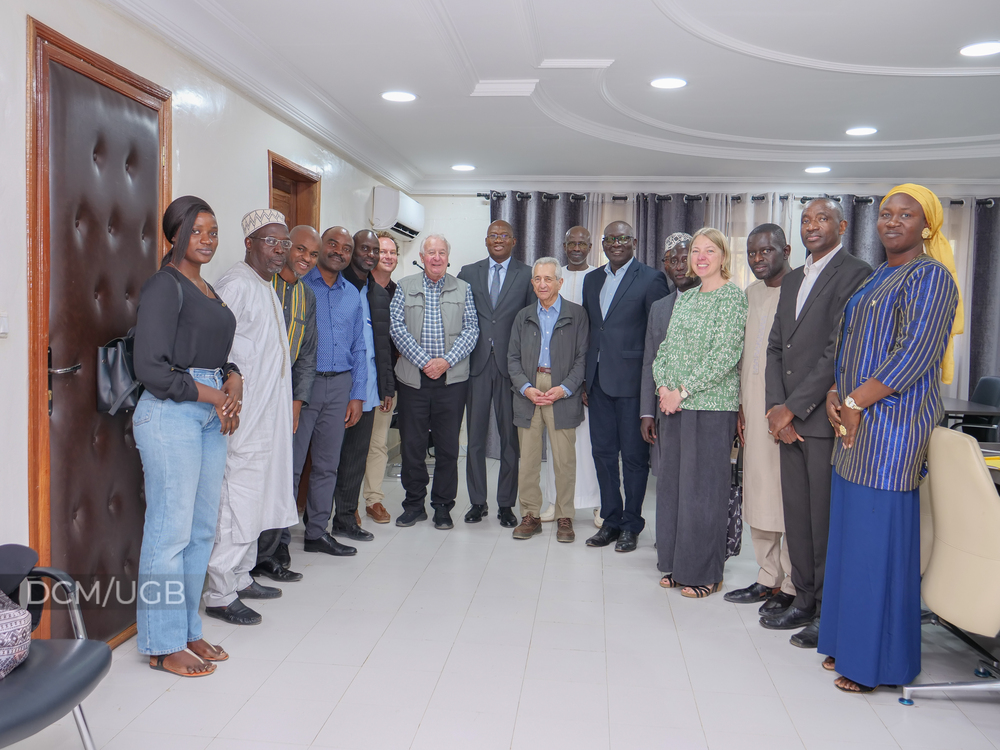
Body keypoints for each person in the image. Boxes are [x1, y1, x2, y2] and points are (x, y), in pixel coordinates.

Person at [820, 185, 960, 694]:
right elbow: (850, 343)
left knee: (877, 546)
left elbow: (914, 353)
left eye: (905, 215)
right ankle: (844, 642)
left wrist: (856, 402)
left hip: (893, 429)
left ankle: (875, 662)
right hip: (853, 422)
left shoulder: (932, 278)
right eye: (885, 214)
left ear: (927, 225)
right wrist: (838, 391)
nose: (892, 221)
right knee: (851, 542)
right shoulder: (879, 276)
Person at [133, 196, 242, 676]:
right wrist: (214, 396)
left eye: (213, 232)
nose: (207, 240)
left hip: (207, 413)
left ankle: (186, 628)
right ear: (174, 235)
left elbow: (216, 354)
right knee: (169, 532)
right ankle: (161, 643)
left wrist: (232, 379)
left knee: (201, 531)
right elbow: (151, 369)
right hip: (171, 413)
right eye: (197, 231)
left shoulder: (209, 289)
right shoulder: (165, 284)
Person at [763, 199, 872, 647]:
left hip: (823, 421)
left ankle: (828, 610)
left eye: (822, 219)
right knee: (798, 518)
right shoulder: (792, 279)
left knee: (823, 521)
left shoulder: (856, 274)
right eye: (805, 220)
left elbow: (838, 349)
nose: (812, 226)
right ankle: (803, 600)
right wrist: (775, 409)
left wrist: (794, 407)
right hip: (787, 422)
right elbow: (774, 348)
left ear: (842, 226)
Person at [202, 209, 300, 626]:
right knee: (238, 500)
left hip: (267, 417)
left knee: (255, 497)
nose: (279, 251)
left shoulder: (265, 286)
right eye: (270, 242)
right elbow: (220, 352)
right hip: (244, 419)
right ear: (249, 243)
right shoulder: (236, 285)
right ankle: (220, 593)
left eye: (284, 244)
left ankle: (241, 576)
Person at [652, 227, 748, 598]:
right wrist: (663, 387)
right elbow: (667, 349)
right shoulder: (687, 299)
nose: (701, 257)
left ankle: (706, 571)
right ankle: (676, 563)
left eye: (710, 251)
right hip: (673, 406)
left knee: (704, 490)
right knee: (674, 487)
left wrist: (683, 390)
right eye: (696, 251)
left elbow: (725, 355)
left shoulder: (733, 298)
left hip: (710, 406)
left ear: (724, 256)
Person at [581, 221, 670, 552]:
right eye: (610, 239)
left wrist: (653, 389)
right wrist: (587, 379)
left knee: (633, 458)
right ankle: (611, 519)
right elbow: (593, 331)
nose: (616, 244)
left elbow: (657, 336)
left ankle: (632, 523)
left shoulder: (651, 279)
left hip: (634, 385)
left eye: (623, 238)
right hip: (599, 382)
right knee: (602, 454)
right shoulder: (592, 280)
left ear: (634, 242)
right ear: (603, 244)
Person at [725, 224, 795, 611]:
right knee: (757, 494)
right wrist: (739, 406)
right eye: (751, 253)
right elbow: (743, 357)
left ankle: (793, 585)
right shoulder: (749, 294)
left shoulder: (802, 291)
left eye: (766, 251)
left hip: (785, 411)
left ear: (785, 249)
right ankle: (767, 577)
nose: (757, 259)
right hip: (750, 409)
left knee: (786, 499)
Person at [391, 234, 479, 529]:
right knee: (412, 446)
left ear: (448, 257)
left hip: (451, 381)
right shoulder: (404, 287)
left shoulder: (463, 288)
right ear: (422, 255)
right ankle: (414, 504)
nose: (437, 257)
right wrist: (425, 362)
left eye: (442, 252)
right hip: (413, 380)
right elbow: (397, 328)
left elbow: (471, 330)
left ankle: (442, 505)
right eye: (431, 252)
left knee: (447, 447)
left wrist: (445, 362)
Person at [294, 227, 367, 557]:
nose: (339, 251)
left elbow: (360, 347)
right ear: (319, 247)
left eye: (346, 248)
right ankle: (277, 541)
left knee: (327, 464)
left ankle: (316, 532)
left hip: (340, 385)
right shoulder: (297, 286)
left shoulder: (352, 293)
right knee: (292, 465)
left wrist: (357, 394)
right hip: (302, 386)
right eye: (333, 244)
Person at [252, 225, 319, 582]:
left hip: (286, 394)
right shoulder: (264, 286)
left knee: (281, 475)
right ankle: (251, 558)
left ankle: (274, 550)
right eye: (300, 249)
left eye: (313, 254)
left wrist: (297, 401)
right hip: (256, 393)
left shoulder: (306, 296)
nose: (306, 259)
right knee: (256, 476)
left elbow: (307, 355)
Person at [458, 220, 534, 527]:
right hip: (476, 364)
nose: (498, 239)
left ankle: (505, 504)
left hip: (510, 367)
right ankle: (478, 502)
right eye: (493, 235)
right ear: (486, 240)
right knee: (474, 438)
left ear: (514, 241)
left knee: (509, 441)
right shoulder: (467, 273)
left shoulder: (527, 274)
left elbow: (531, 324)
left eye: (504, 235)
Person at [507, 257, 589, 542]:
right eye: (538, 279)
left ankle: (565, 515)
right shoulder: (523, 316)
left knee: (564, 459)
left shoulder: (577, 314)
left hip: (562, 391)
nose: (543, 284)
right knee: (528, 459)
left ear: (559, 282)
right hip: (529, 391)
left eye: (548, 279)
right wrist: (527, 388)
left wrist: (564, 388)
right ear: (533, 283)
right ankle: (530, 514)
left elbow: (582, 359)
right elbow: (512, 359)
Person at [328, 229, 396, 541]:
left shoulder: (379, 295)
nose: (370, 255)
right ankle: (317, 520)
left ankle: (346, 518)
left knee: (357, 456)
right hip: (338, 387)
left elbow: (382, 345)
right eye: (364, 249)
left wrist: (387, 387)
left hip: (368, 390)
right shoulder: (338, 287)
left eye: (374, 250)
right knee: (330, 457)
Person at [540, 226, 601, 525]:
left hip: (585, 372)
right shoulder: (552, 274)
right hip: (554, 376)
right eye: (571, 243)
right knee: (556, 444)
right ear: (564, 245)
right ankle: (554, 500)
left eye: (582, 243)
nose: (576, 247)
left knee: (590, 443)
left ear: (590, 246)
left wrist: (587, 378)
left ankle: (595, 503)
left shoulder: (599, 277)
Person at [362, 232, 400, 524]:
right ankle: (346, 504)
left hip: (387, 381)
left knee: (378, 443)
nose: (386, 256)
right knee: (350, 445)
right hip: (357, 380)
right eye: (381, 251)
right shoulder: (358, 287)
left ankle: (373, 500)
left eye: (391, 252)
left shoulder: (400, 293)